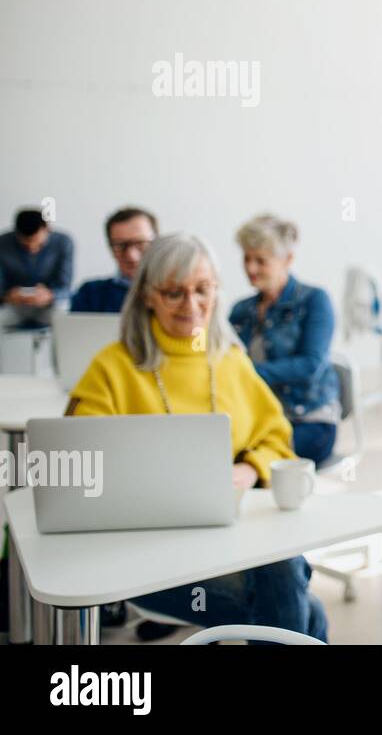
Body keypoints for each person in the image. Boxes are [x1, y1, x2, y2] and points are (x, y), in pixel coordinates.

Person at [66, 233, 326, 642]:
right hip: (144, 556)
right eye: (174, 293)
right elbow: (80, 464)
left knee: (285, 569)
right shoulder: (113, 367)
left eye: (203, 290)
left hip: (230, 541)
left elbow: (277, 438)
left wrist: (246, 469)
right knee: (303, 611)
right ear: (148, 295)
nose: (192, 306)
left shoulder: (231, 362)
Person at [230, 215, 340, 465]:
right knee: (219, 453)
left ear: (287, 259)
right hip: (260, 419)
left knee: (248, 461)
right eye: (247, 258)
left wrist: (247, 372)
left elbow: (310, 364)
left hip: (309, 421)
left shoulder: (314, 300)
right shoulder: (240, 310)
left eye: (261, 260)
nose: (251, 268)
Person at [70, 206, 158, 313]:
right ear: (110, 247)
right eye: (120, 246)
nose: (132, 256)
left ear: (157, 243)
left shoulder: (177, 292)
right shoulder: (89, 293)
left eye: (140, 243)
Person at [0, 208, 74, 328]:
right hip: (14, 306)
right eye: (25, 245)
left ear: (47, 230)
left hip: (48, 305)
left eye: (38, 244)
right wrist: (8, 296)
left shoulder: (63, 242)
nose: (32, 249)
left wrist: (50, 295)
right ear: (16, 233)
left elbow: (65, 287)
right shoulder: (2, 243)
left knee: (63, 314)